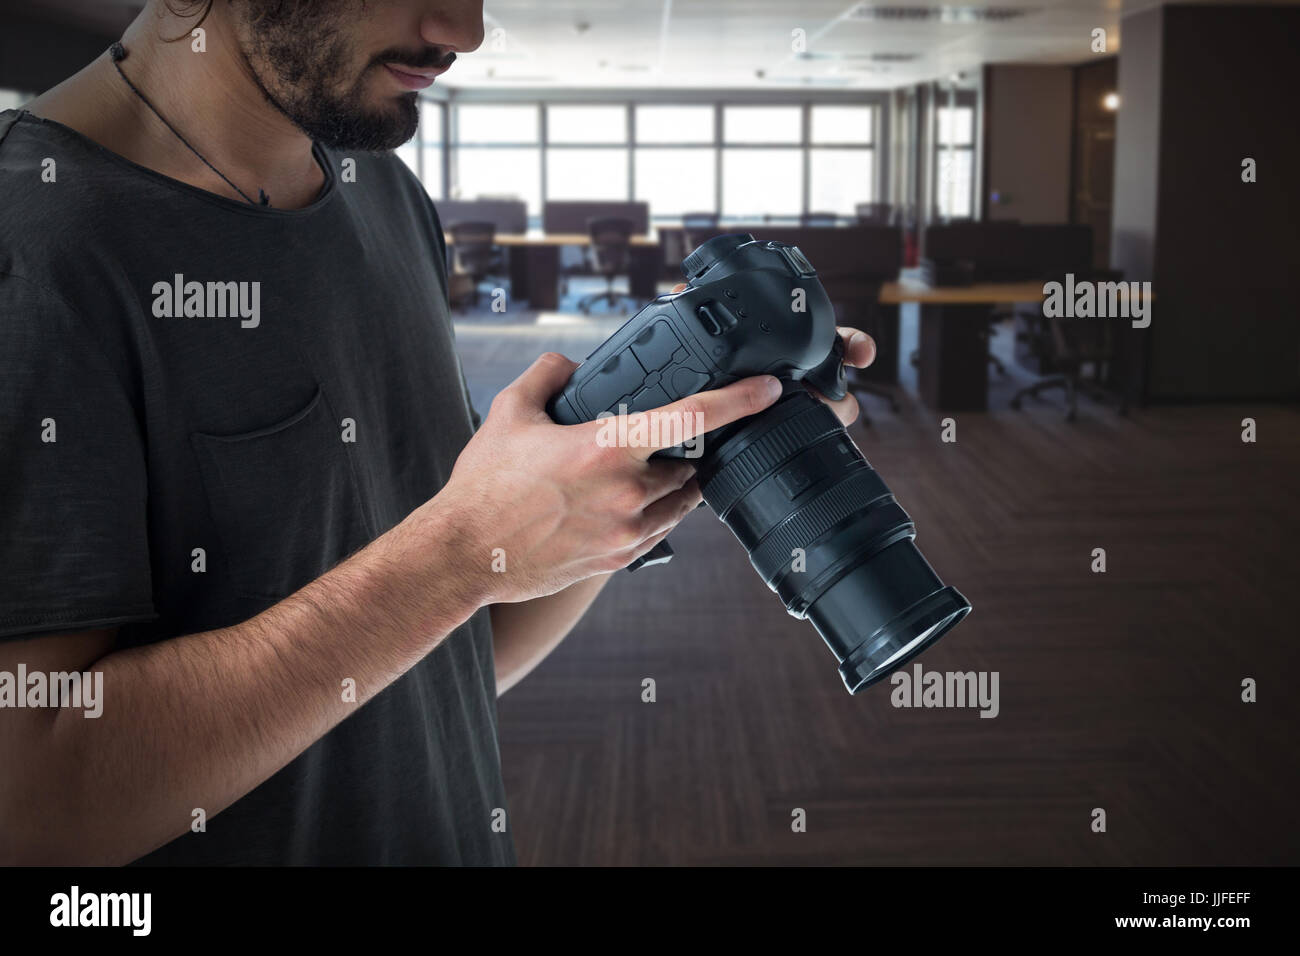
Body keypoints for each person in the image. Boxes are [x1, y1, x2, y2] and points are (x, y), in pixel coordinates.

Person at [0, 0, 876, 865]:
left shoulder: (379, 187)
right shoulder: (35, 244)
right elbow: (29, 808)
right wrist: (453, 557)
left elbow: (450, 655)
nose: (465, 30)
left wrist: (661, 452)